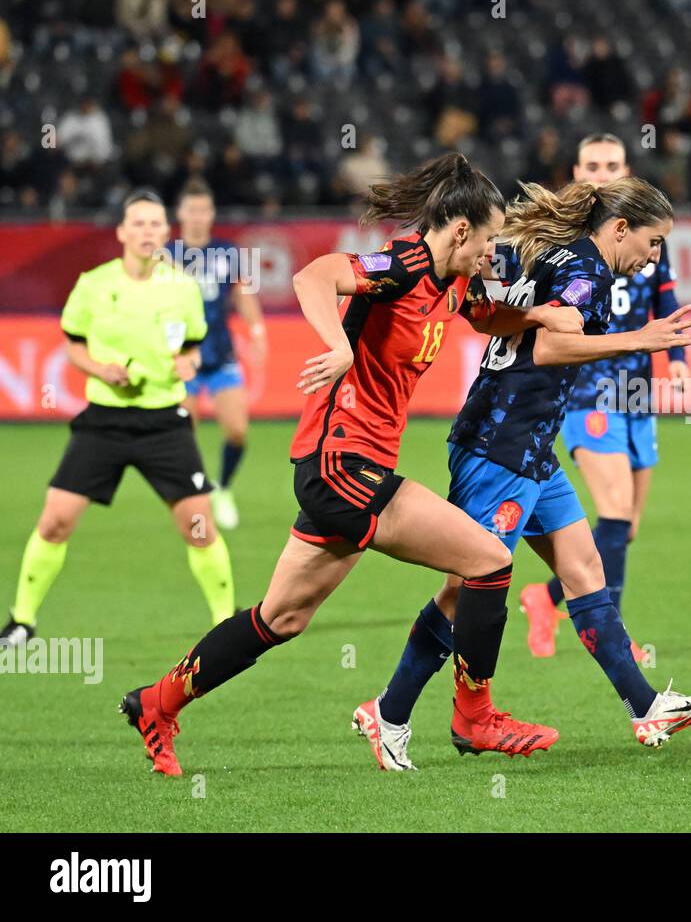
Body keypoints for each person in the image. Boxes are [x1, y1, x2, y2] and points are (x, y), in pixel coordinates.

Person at [117, 154, 581, 776]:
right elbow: (314, 277)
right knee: (491, 560)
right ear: (462, 230)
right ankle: (474, 715)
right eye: (491, 236)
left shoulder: (457, 279)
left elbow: (484, 317)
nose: (494, 249)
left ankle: (157, 703)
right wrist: (338, 346)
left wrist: (537, 316)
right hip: (342, 461)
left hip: (346, 467)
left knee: (281, 617)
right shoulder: (405, 262)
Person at [355, 177, 691, 768]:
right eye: (653, 244)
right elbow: (552, 349)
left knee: (583, 566)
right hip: (500, 446)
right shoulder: (590, 272)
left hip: (529, 445)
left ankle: (645, 705)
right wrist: (644, 340)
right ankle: (392, 711)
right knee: (465, 587)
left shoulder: (559, 255)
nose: (654, 258)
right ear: (622, 229)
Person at [3, 190, 233, 648]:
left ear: (165, 233)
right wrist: (102, 370)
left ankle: (227, 624)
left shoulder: (181, 287)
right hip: (104, 420)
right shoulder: (93, 284)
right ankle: (22, 621)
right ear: (122, 232)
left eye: (155, 224)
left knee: (199, 526)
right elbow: (73, 344)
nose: (147, 232)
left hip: (165, 421)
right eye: (139, 224)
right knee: (55, 521)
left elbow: (191, 346)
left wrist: (188, 363)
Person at [519, 133, 690, 661]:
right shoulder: (567, 242)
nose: (602, 172)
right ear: (575, 169)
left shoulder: (643, 235)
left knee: (627, 527)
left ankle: (544, 597)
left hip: (635, 388)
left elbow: (665, 295)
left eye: (612, 164)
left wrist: (678, 365)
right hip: (590, 390)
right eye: (591, 164)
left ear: (626, 168)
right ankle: (615, 638)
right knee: (613, 513)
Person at [173, 179, 265, 529]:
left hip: (221, 354)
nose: (198, 217)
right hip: (182, 359)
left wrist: (257, 331)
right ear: (181, 213)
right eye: (192, 210)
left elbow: (242, 295)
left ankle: (222, 488)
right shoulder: (167, 255)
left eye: (204, 210)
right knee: (183, 434)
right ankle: (196, 496)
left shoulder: (227, 251)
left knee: (238, 431)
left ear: (212, 213)